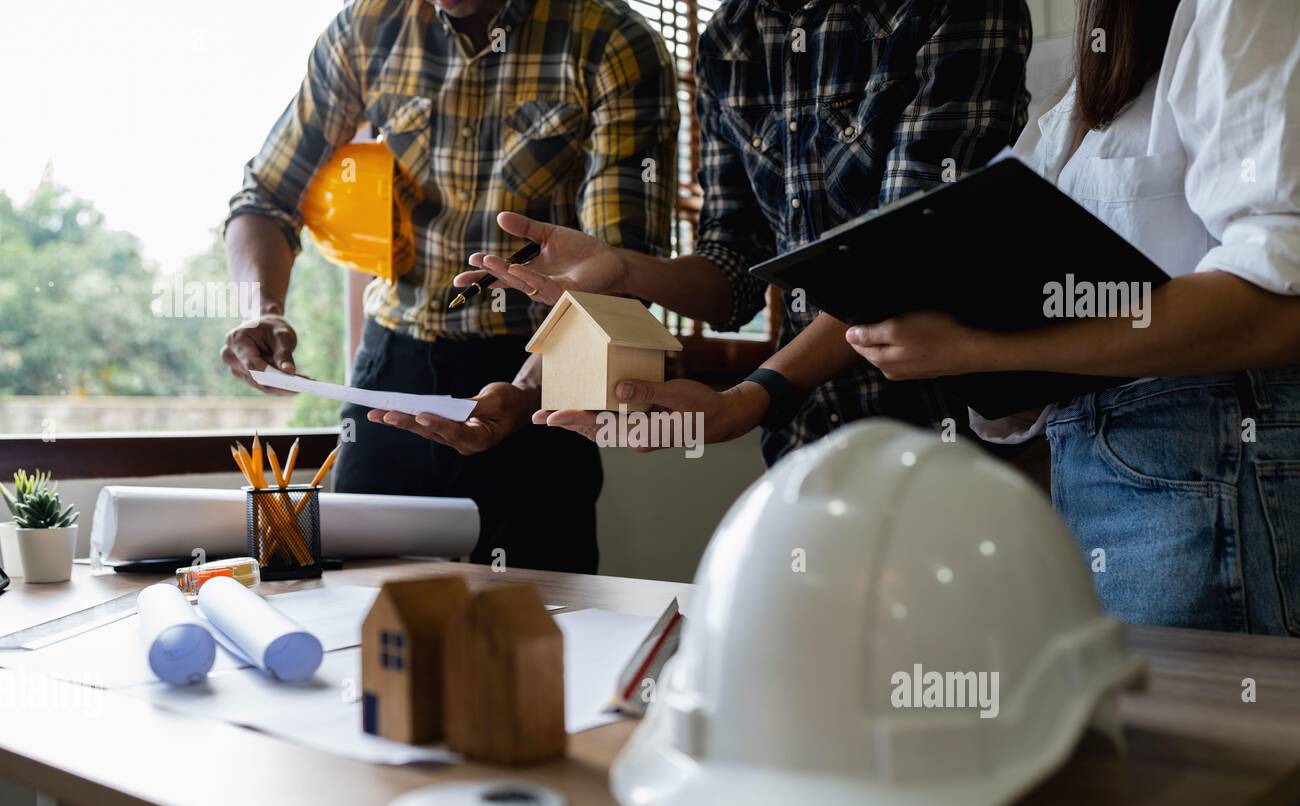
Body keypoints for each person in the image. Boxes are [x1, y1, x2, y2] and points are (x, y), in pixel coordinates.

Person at [401, 0, 1034, 470]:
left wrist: (749, 398)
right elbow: (735, 271)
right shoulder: (731, 38)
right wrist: (626, 272)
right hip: (807, 446)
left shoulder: (955, 7)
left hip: (956, 438)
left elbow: (907, 257)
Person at [843, 0, 1300, 644]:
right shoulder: (1072, 111)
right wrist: (985, 366)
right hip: (1105, 498)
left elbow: (1280, 303)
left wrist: (983, 347)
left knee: (1193, 735)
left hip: (1212, 494)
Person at [221, 0, 678, 573]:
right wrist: (261, 310)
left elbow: (620, 273)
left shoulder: (609, 40)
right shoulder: (368, 27)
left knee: (538, 621)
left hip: (541, 372)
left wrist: (532, 389)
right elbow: (267, 196)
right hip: (393, 372)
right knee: (364, 610)